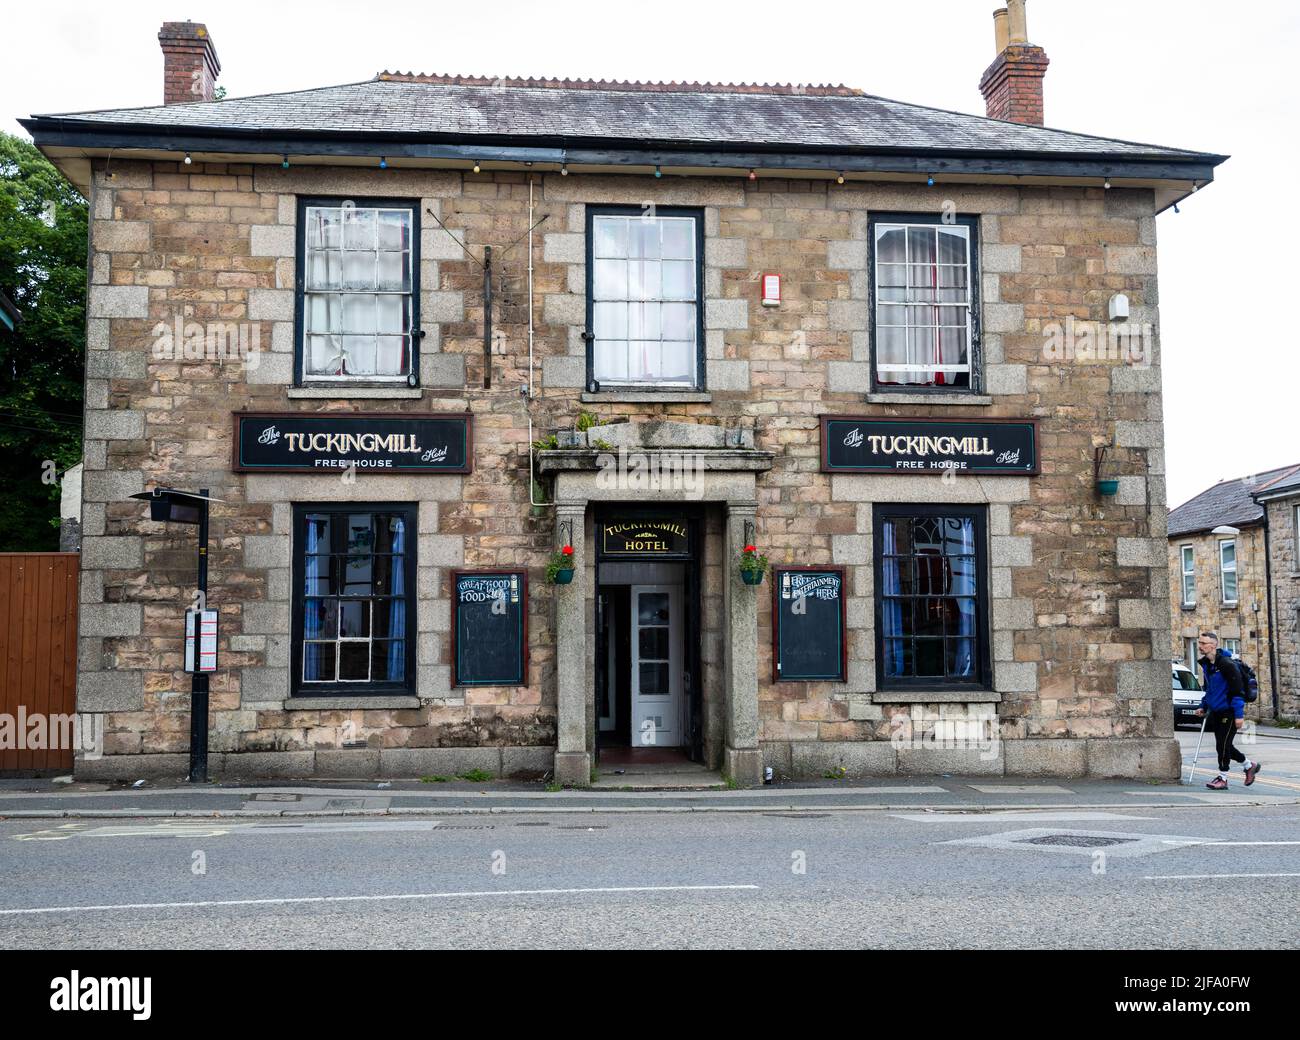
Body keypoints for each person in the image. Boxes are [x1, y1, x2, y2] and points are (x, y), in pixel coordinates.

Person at [1194, 631, 1261, 790]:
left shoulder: (1227, 665)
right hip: (1216, 711)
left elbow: (1237, 692)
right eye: (1200, 643)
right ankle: (1248, 765)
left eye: (1204, 643)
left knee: (1222, 746)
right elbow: (1210, 689)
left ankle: (1222, 778)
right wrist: (1203, 706)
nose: (1200, 646)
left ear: (1213, 645)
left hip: (1229, 711)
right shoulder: (1208, 665)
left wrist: (1239, 715)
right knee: (1225, 745)